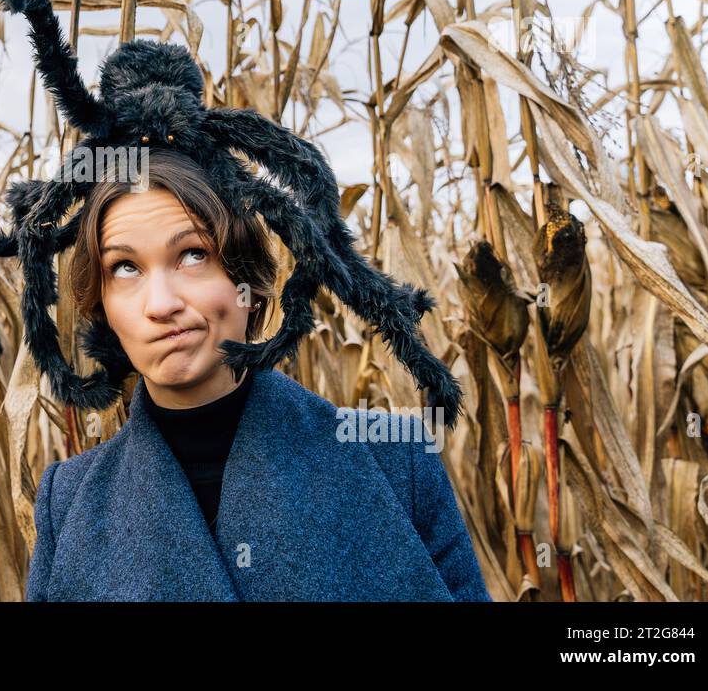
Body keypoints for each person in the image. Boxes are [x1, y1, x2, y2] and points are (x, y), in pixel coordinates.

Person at [25, 148, 491, 601]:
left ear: (247, 278)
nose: (161, 303)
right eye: (125, 267)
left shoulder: (395, 461)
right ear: (101, 307)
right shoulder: (67, 504)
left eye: (192, 255)